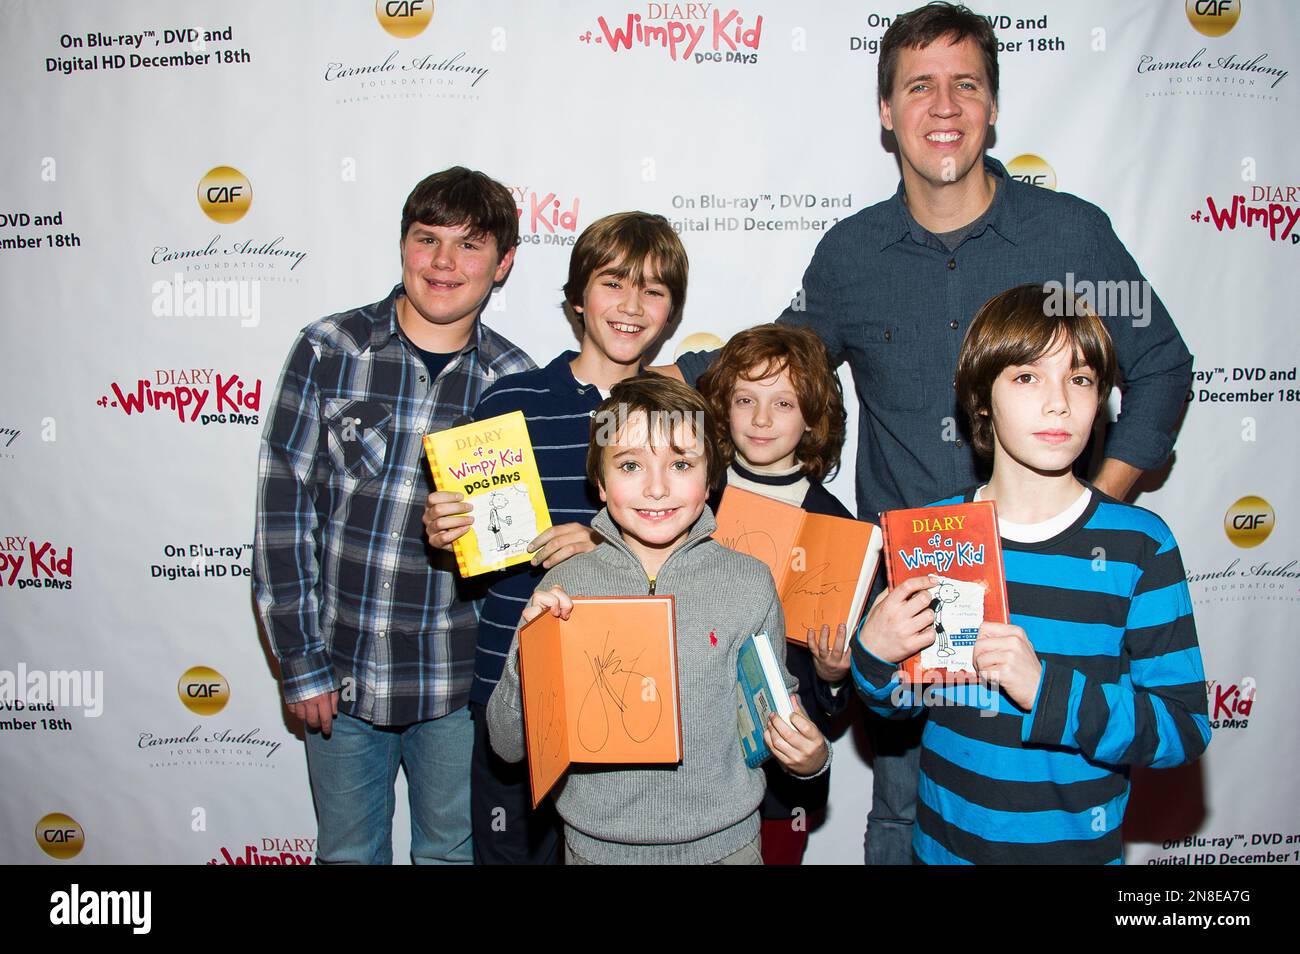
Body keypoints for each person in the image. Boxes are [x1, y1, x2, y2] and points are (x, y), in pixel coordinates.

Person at [659, 1, 1194, 864]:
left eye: (966, 85)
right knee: (908, 815)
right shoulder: (851, 255)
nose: (943, 106)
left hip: (1066, 592)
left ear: (992, 108)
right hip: (915, 596)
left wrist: (1091, 511)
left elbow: (1163, 365)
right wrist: (637, 379)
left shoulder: (1072, 235)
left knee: (1058, 808)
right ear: (886, 112)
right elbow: (772, 363)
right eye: (919, 87)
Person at [851, 284, 1210, 863]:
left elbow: (1182, 728)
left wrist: (1048, 692)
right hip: (942, 852)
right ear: (982, 401)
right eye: (1027, 377)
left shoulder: (1139, 546)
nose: (1059, 402)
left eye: (1081, 378)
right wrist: (873, 654)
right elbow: (900, 703)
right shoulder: (938, 535)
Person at [252, 167, 534, 864]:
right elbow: (283, 515)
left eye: (470, 245)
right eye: (427, 238)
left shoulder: (515, 383)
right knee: (348, 854)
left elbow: (520, 555)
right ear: (402, 245)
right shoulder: (328, 350)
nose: (444, 263)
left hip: (457, 684)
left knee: (452, 855)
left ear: (503, 265)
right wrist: (300, 661)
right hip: (341, 675)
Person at [422, 212, 689, 864]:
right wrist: (440, 528)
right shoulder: (508, 403)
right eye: (613, 283)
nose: (631, 305)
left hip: (633, 693)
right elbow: (470, 546)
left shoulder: (680, 417)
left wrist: (608, 546)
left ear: (673, 311)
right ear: (577, 298)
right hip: (514, 688)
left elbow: (701, 548)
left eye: (653, 290)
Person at [487, 376, 831, 864]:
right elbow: (507, 746)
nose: (656, 487)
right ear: (601, 483)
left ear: (711, 475)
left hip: (726, 848)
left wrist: (812, 759)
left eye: (680, 464)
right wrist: (527, 656)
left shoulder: (749, 583)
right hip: (594, 852)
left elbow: (777, 711)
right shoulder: (564, 588)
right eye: (630, 465)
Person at [697, 323, 857, 864]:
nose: (762, 420)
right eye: (746, 399)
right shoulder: (689, 497)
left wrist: (836, 675)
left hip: (781, 770)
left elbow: (833, 702)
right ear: (723, 408)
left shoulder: (837, 525)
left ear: (812, 415)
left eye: (783, 403)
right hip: (691, 756)